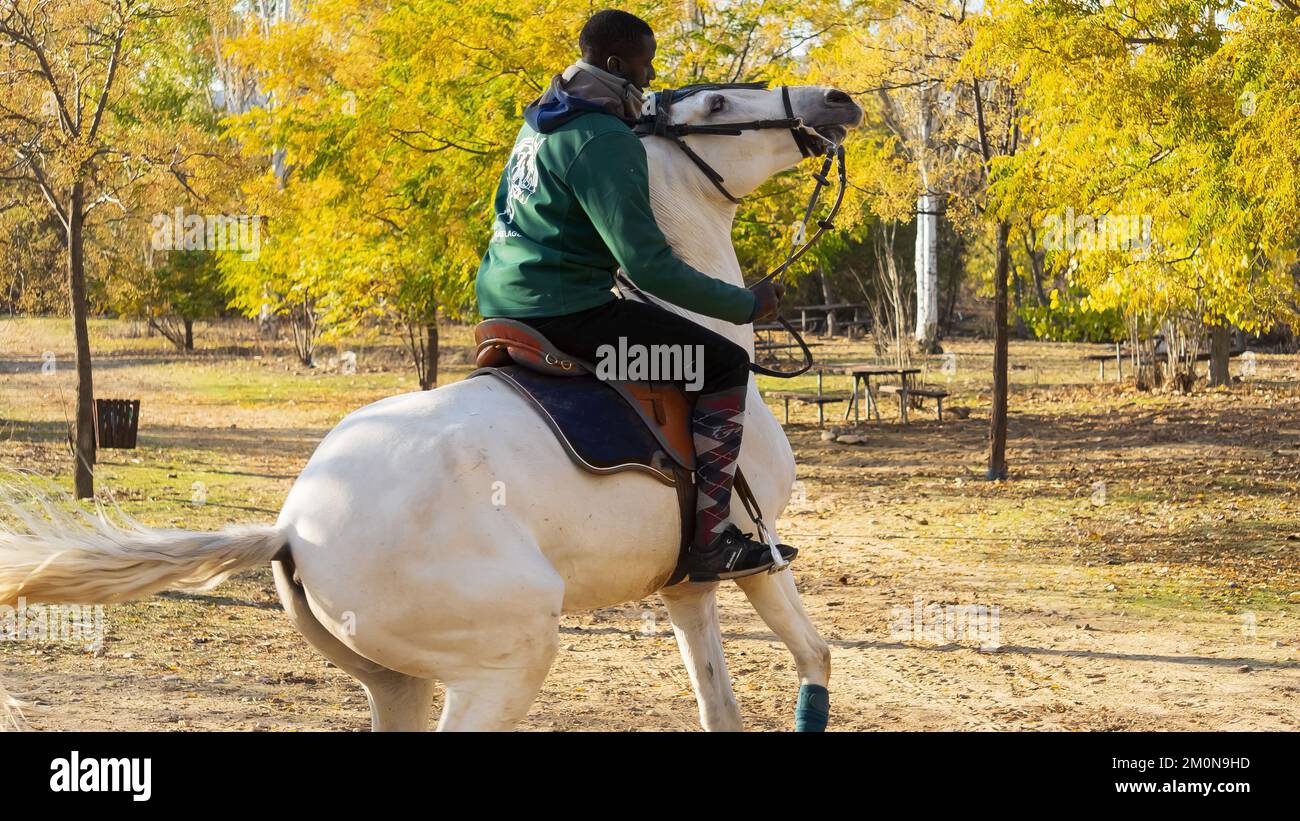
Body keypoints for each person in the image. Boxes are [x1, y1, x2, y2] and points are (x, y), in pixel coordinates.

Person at [475, 9, 793, 581]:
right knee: (722, 362)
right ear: (615, 62)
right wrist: (746, 305)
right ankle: (712, 540)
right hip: (569, 314)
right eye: (645, 62)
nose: (650, 75)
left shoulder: (539, 122)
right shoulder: (604, 139)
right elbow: (650, 268)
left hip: (502, 303)